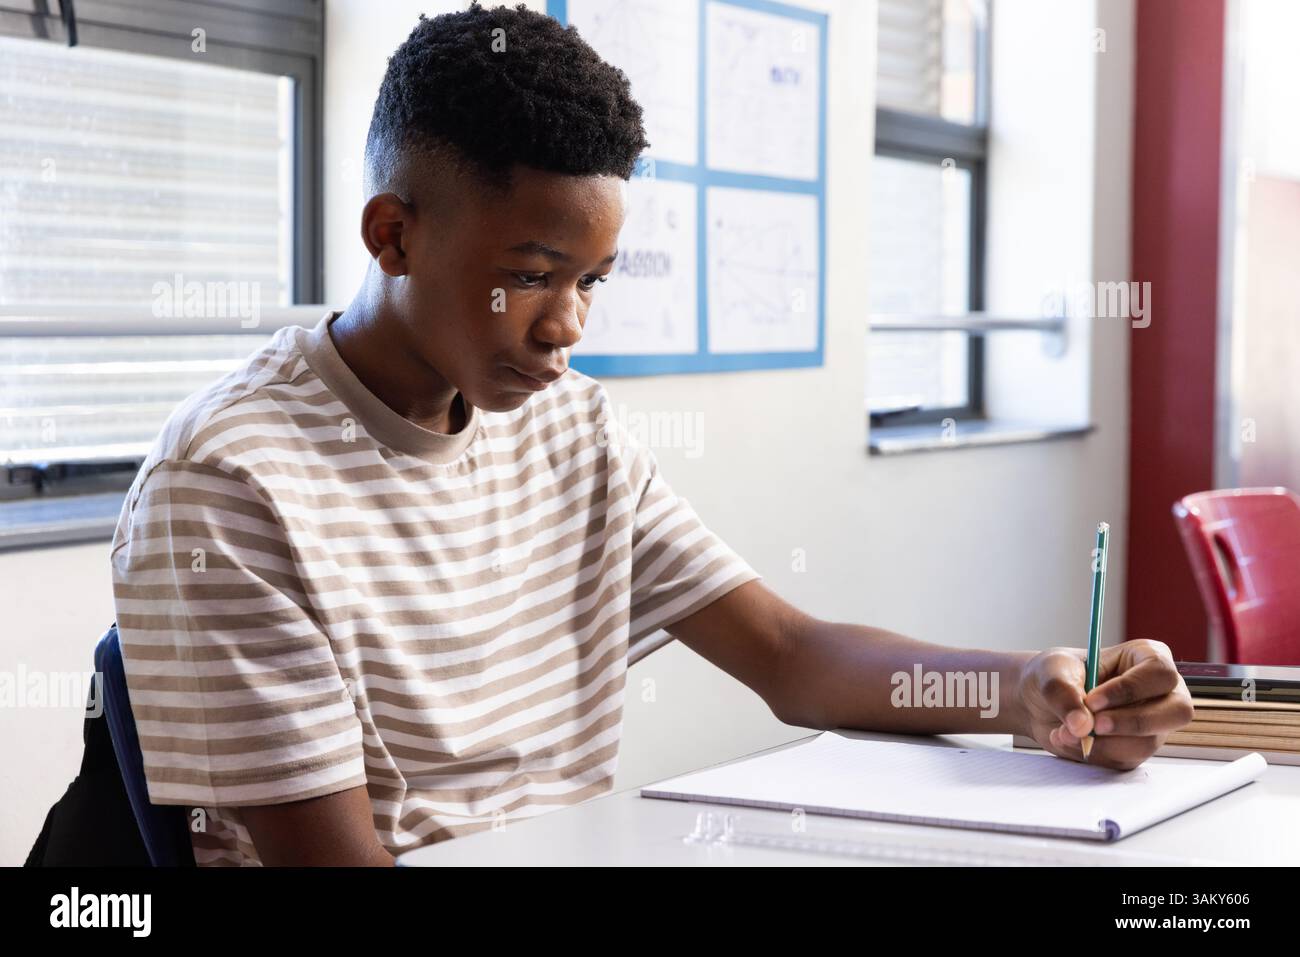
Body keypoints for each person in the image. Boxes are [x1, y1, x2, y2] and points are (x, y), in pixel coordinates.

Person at [109, 2, 1193, 866]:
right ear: (393, 236)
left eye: (591, 280)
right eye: (528, 277)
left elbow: (790, 657)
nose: (567, 327)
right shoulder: (228, 483)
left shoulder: (569, 427)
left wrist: (1028, 691)